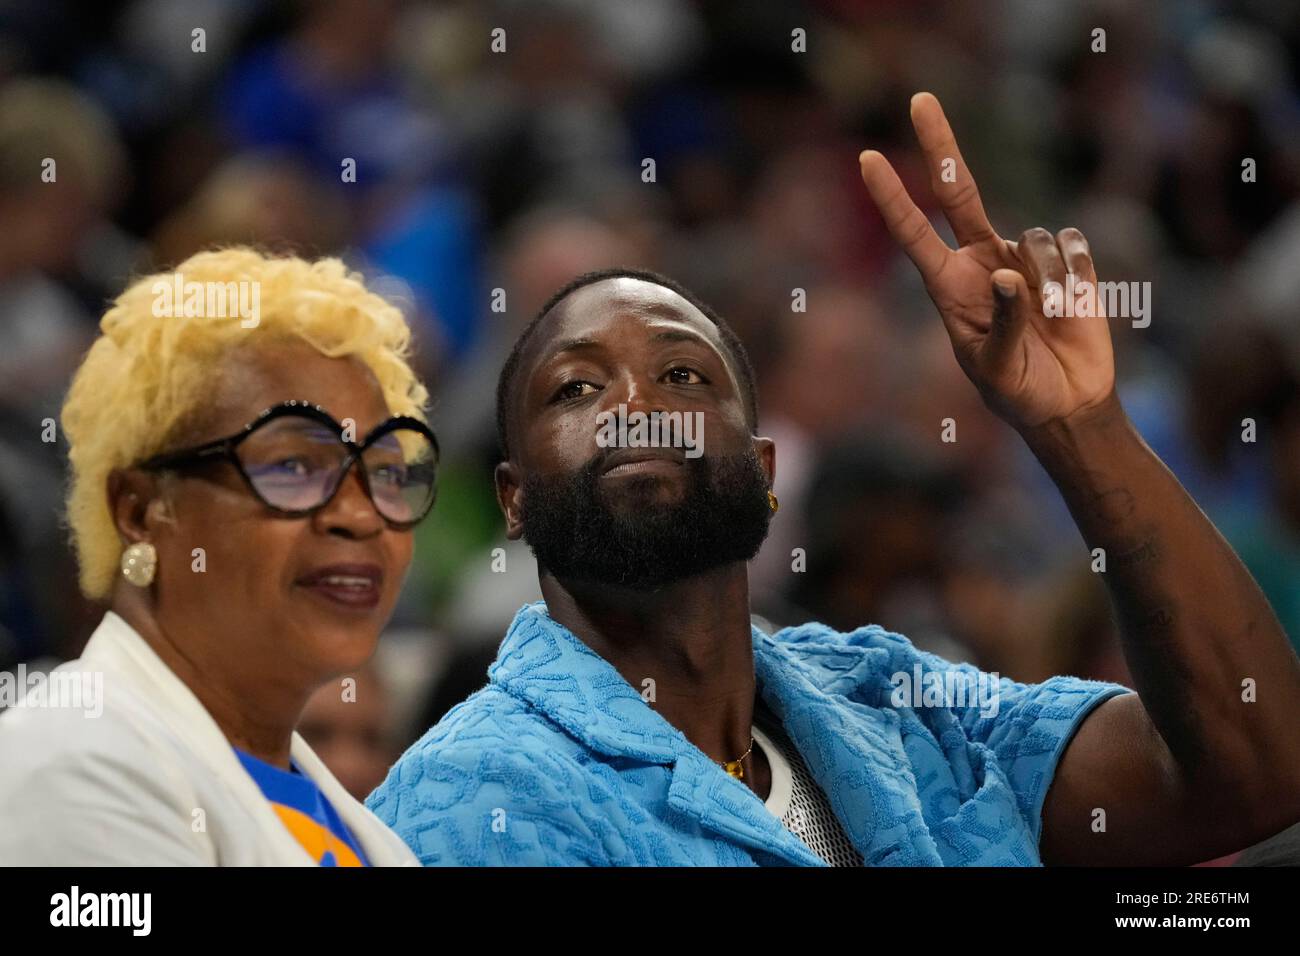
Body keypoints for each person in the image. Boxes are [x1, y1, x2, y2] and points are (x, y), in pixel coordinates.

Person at [369, 93, 1300, 866]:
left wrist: (1079, 426)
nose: (637, 406)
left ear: (766, 472)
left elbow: (1255, 768)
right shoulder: (475, 797)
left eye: (684, 376)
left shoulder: (899, 703)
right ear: (514, 500)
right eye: (577, 387)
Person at [0, 247, 436, 865]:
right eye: (292, 465)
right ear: (140, 510)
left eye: (388, 472)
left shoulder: (356, 826)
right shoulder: (76, 760)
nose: (361, 514)